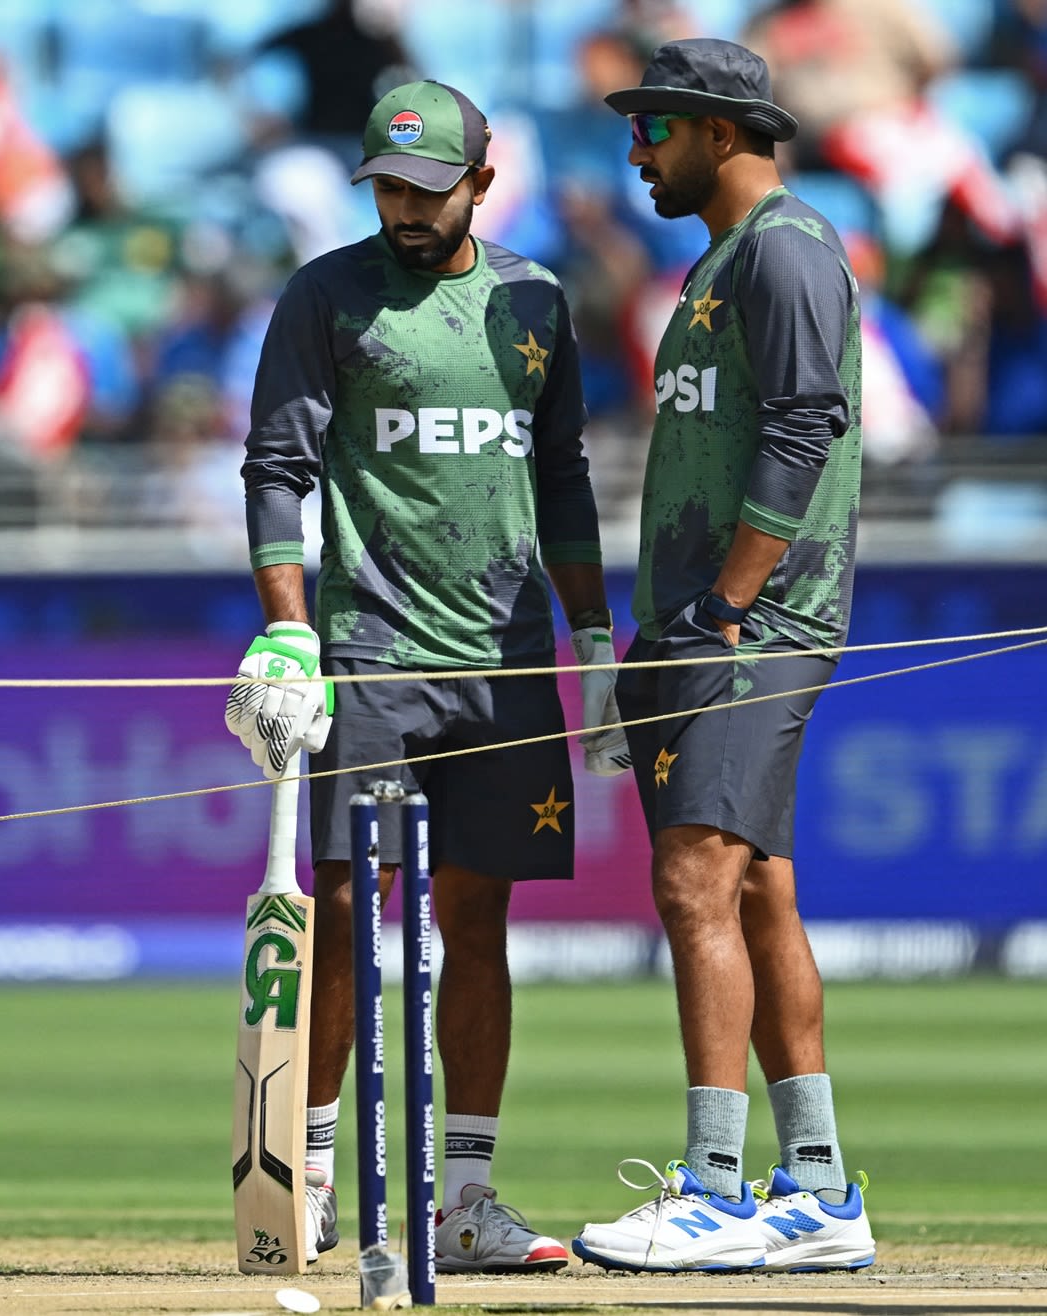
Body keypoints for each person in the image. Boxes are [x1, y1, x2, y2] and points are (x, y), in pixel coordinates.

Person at [225, 80, 630, 1274]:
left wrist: (594, 637)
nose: (402, 209)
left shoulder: (533, 302)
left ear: (481, 184)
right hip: (372, 646)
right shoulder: (326, 292)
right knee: (348, 910)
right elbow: (274, 467)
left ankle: (463, 1195)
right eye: (386, 187)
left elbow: (560, 479)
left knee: (476, 917)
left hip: (504, 661)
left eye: (424, 188)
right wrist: (287, 630)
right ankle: (304, 1168)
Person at [569, 39, 875, 1274]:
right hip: (702, 622)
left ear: (721, 129)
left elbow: (808, 421)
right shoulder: (715, 263)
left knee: (693, 879)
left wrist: (733, 601)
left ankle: (708, 1184)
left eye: (654, 127)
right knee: (754, 888)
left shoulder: (787, 251)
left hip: (754, 624)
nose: (636, 149)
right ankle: (814, 1186)